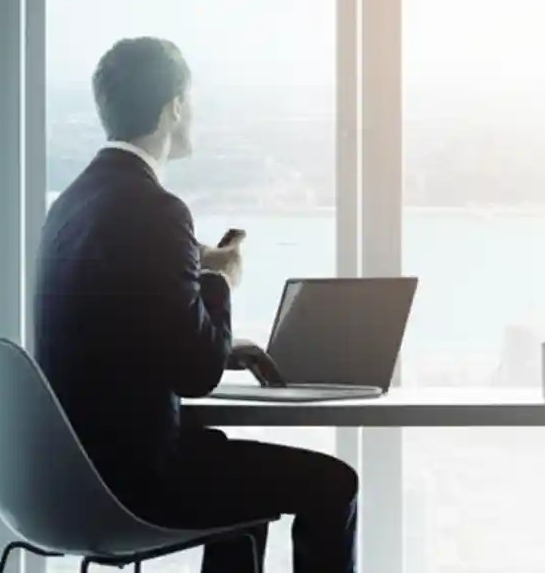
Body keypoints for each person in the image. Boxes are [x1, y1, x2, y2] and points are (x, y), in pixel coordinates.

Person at [35, 37, 358, 572]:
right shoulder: (157, 209)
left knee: (240, 487)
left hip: (68, 479)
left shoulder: (70, 206)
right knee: (334, 485)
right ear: (175, 107)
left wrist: (214, 325)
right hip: (136, 479)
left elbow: (125, 333)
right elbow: (196, 373)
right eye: (192, 101)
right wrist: (220, 279)